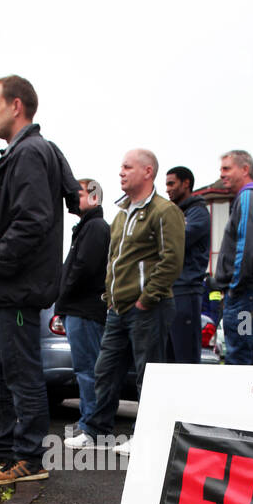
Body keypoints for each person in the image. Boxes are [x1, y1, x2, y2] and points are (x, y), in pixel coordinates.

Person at [0, 74, 79, 485]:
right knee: (1, 366)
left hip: (15, 287)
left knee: (22, 371)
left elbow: (33, 220)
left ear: (16, 106)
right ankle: (6, 448)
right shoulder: (26, 152)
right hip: (8, 288)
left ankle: (30, 457)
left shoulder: (30, 153)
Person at [65, 148, 184, 455]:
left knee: (148, 374)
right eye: (121, 167)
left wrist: (146, 299)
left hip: (149, 307)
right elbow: (113, 261)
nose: (121, 172)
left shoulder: (164, 211)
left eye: (128, 167)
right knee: (105, 369)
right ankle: (95, 430)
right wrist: (109, 297)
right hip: (117, 309)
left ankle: (146, 436)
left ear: (148, 171)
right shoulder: (120, 215)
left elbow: (172, 261)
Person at [55, 178, 110, 434]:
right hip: (78, 308)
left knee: (88, 369)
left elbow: (84, 268)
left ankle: (92, 426)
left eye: (77, 195)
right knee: (85, 369)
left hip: (84, 309)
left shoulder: (96, 227)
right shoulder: (86, 227)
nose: (71, 200)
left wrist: (63, 293)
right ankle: (88, 421)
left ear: (94, 197)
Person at [214, 150, 253, 364]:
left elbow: (248, 246)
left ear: (245, 169)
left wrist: (235, 285)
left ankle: (241, 397)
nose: (222, 174)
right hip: (250, 294)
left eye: (227, 168)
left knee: (241, 354)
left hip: (246, 295)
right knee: (249, 352)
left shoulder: (249, 197)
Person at [164, 166, 211, 363]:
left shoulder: (198, 213)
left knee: (186, 359)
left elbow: (175, 240)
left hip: (186, 290)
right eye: (166, 184)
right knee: (169, 359)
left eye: (171, 183)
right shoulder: (173, 214)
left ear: (186, 183)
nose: (167, 189)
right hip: (169, 292)